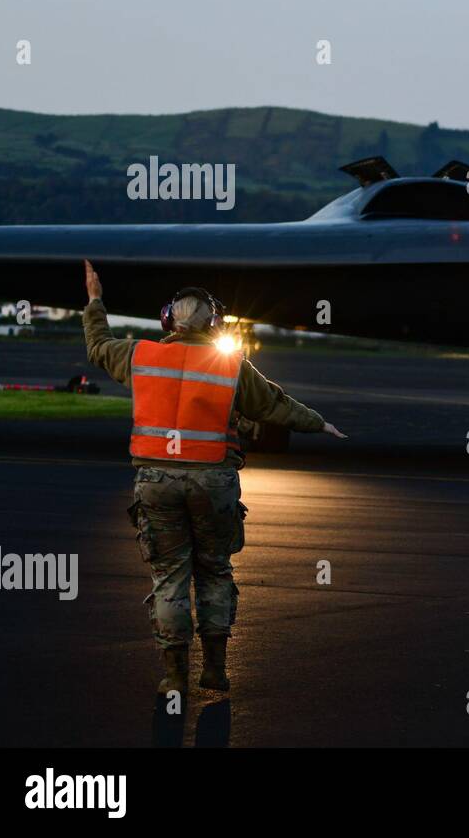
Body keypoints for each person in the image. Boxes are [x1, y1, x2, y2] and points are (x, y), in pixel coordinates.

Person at [81, 260, 346, 698]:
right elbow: (274, 405)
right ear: (215, 323)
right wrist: (319, 424)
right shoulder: (231, 365)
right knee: (215, 570)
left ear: (169, 320)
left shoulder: (140, 355)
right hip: (214, 483)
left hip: (155, 482)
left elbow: (98, 344)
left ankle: (175, 675)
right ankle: (217, 669)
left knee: (169, 576)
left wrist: (95, 300)